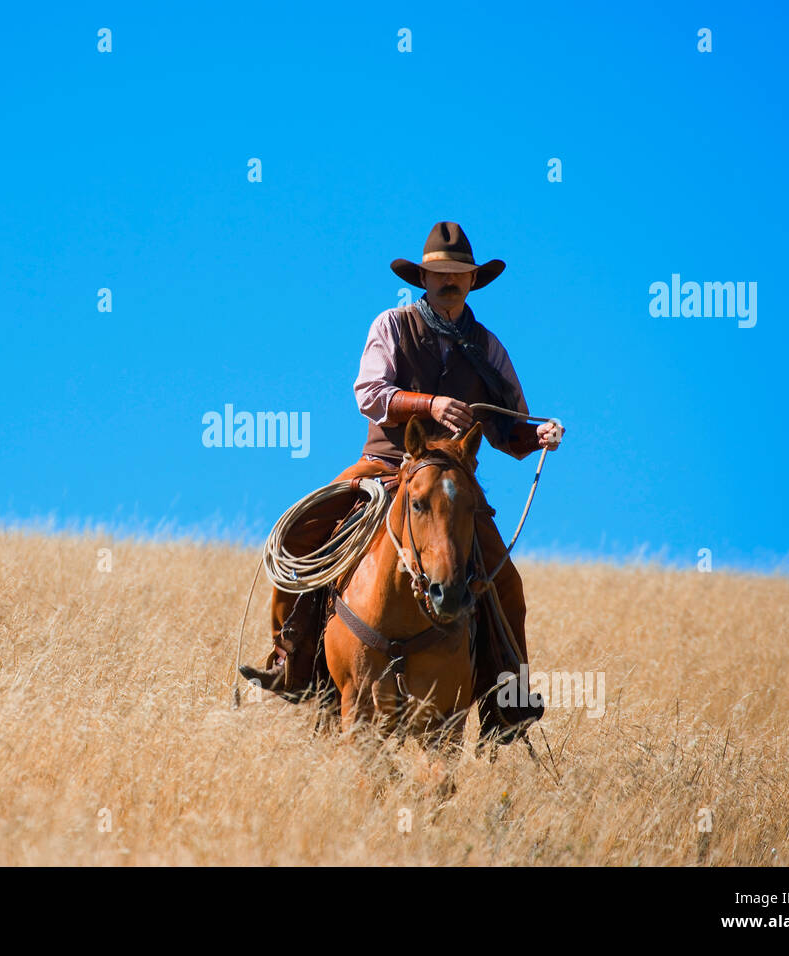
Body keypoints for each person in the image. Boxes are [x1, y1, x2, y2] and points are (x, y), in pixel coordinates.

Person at [241, 222, 563, 725]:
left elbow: (510, 427)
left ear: (474, 280)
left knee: (508, 585)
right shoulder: (390, 325)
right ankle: (290, 659)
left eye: (459, 274)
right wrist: (430, 405)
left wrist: (538, 436)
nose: (448, 281)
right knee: (300, 533)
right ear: (423, 278)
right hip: (384, 465)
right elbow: (368, 394)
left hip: (452, 483)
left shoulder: (490, 349)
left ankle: (508, 703)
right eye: (438, 273)